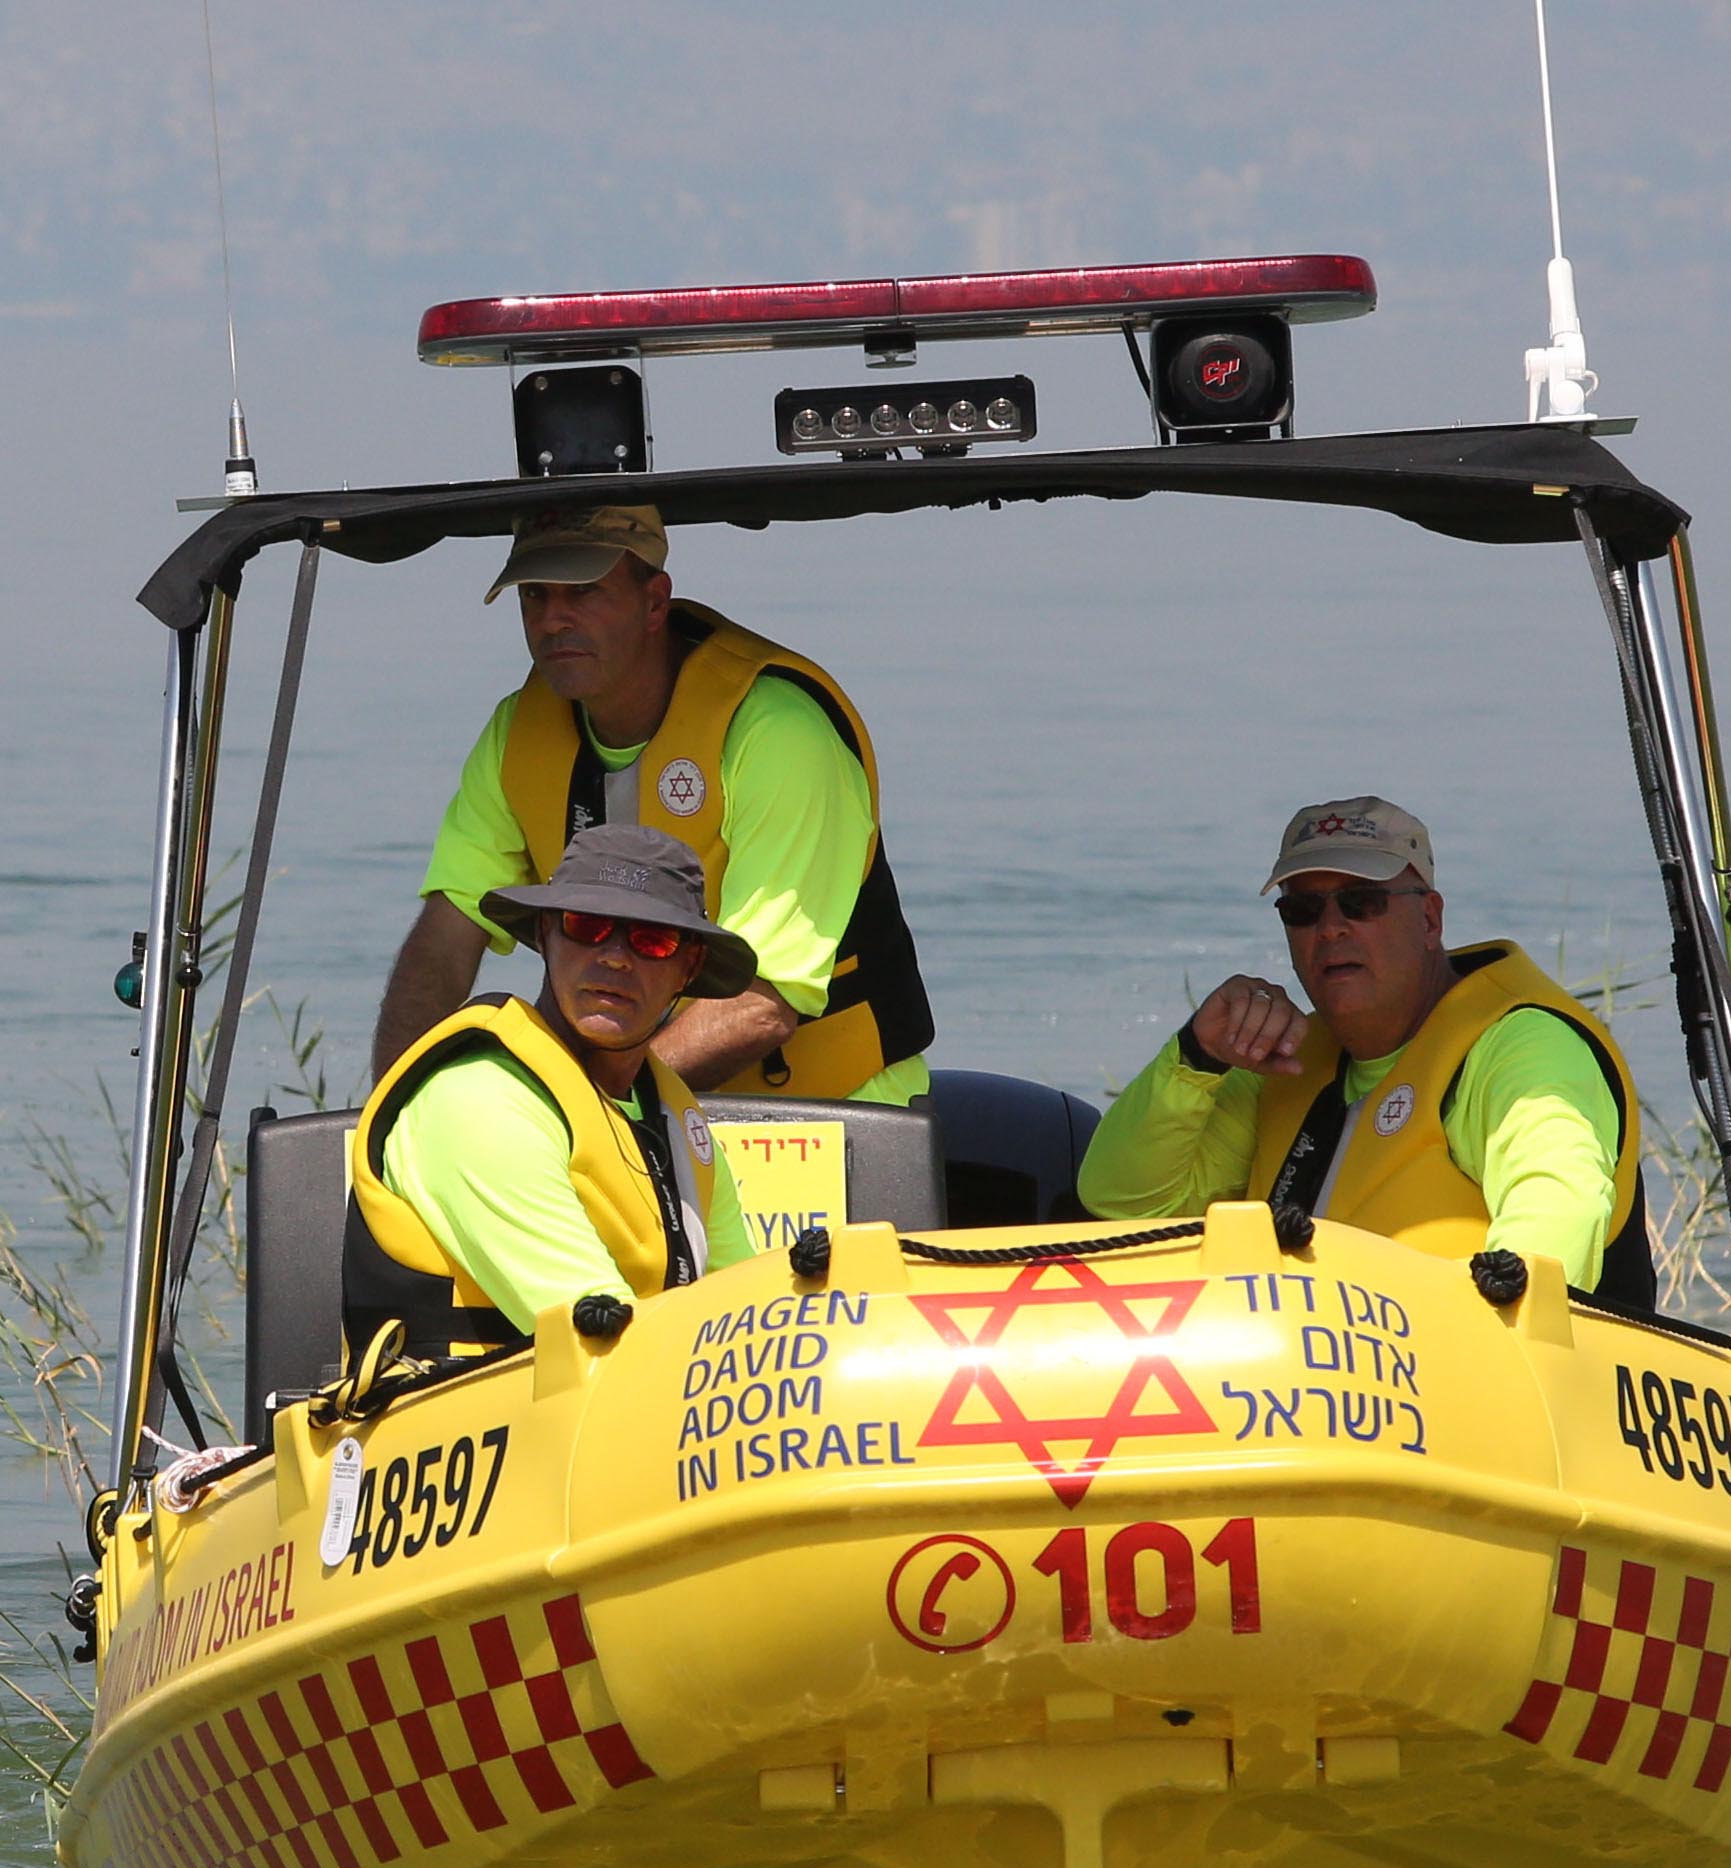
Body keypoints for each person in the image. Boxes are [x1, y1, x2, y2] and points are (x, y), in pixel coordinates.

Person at [370, 501, 936, 1104]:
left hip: (828, 1116)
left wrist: (582, 1116)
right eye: (534, 595)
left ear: (655, 602)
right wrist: (391, 1116)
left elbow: (762, 1005)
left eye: (583, 591)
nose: (553, 619)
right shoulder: (518, 735)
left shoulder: (776, 733)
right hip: (629, 1117)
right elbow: (445, 939)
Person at [1074, 794, 1657, 1311]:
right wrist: (1197, 1059)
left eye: (1361, 904)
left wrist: (1493, 1316)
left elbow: (1556, 1214)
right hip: (1308, 1398)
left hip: (1469, 1395)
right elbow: (1125, 1207)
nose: (1329, 930)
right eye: (1303, 912)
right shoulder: (1285, 1058)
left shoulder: (1521, 1047)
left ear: (1429, 918)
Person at [345, 825, 763, 1366]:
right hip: (460, 1430)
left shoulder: (674, 1117)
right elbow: (603, 1349)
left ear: (690, 967)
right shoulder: (479, 1102)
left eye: (651, 940)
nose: (614, 958)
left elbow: (750, 1314)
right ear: (545, 934)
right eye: (587, 926)